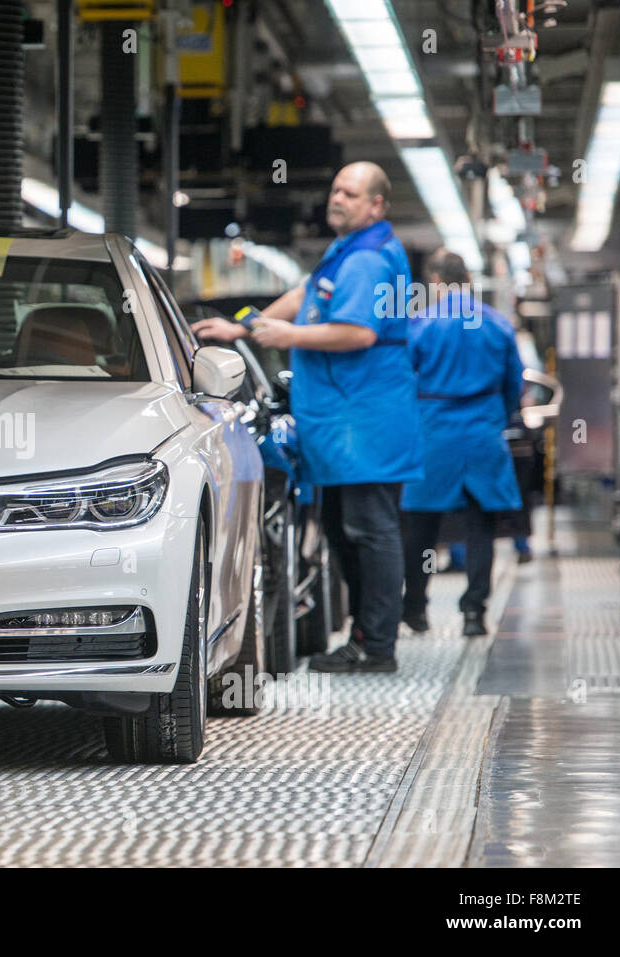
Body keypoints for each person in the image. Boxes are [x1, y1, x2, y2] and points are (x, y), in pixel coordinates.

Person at [194, 161, 422, 672]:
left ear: (376, 205)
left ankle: (377, 647)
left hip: (364, 420)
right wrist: (246, 324)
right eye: (335, 189)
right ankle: (366, 636)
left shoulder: (368, 260)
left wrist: (285, 337)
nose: (337, 198)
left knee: (369, 529)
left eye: (350, 193)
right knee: (347, 530)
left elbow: (358, 333)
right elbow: (305, 296)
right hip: (343, 422)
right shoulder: (345, 253)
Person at [399, 249, 523, 637]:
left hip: (433, 434)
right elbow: (514, 385)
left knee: (421, 528)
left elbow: (402, 382)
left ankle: (416, 609)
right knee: (480, 526)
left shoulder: (420, 325)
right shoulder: (498, 325)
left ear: (435, 281)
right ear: (468, 280)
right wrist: (494, 418)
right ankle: (474, 613)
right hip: (483, 434)